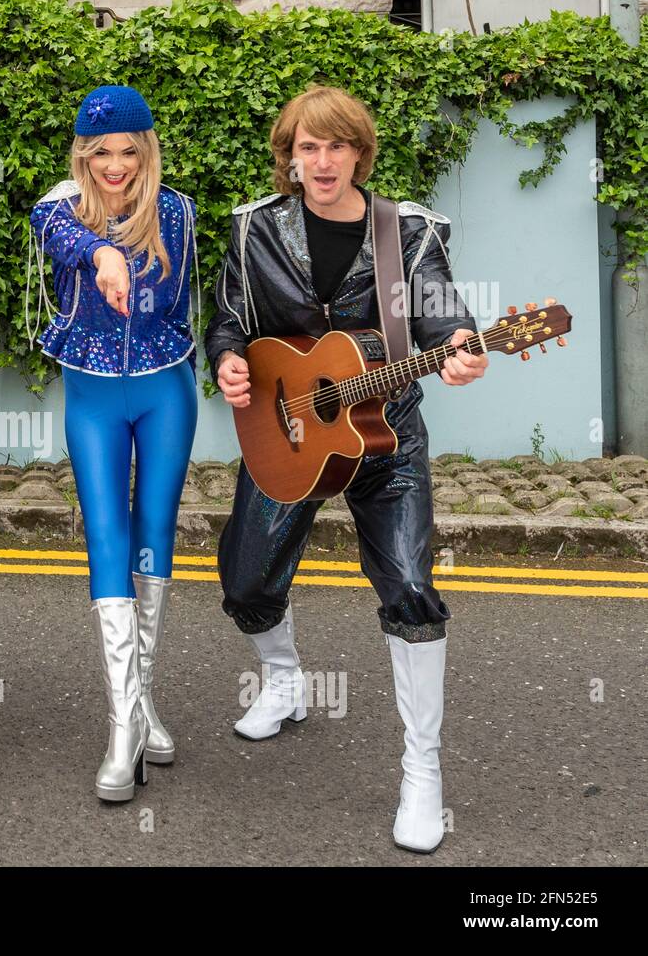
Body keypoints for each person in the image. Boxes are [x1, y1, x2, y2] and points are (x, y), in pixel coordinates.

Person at [204, 85, 489, 853]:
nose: (322, 161)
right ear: (289, 158)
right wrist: (229, 359)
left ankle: (421, 771)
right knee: (247, 578)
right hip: (287, 429)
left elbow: (439, 313)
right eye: (307, 147)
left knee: (412, 588)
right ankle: (286, 679)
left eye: (336, 146)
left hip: (386, 437)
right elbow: (231, 318)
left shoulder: (411, 233)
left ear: (360, 153)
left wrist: (460, 343)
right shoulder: (254, 229)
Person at [27, 85, 200, 801]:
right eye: (102, 152)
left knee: (154, 543)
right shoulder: (56, 209)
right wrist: (103, 252)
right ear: (83, 154)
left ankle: (143, 699)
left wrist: (129, 254)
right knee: (106, 539)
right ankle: (122, 725)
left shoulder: (177, 210)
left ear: (146, 151)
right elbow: (61, 239)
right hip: (93, 396)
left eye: (130, 151)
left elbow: (179, 299)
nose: (116, 165)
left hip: (165, 390)